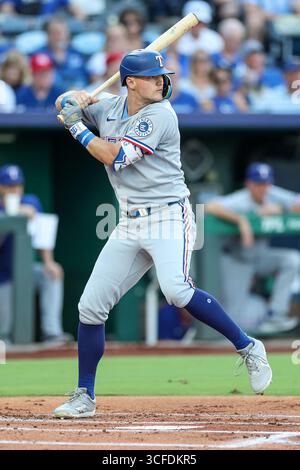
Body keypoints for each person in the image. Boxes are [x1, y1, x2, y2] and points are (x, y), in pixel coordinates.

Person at [53, 49, 272, 418]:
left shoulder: (161, 115)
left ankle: (248, 347)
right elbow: (63, 100)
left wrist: (77, 126)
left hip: (169, 215)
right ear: (131, 82)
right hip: (128, 220)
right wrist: (77, 98)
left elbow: (116, 156)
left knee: (175, 289)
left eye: (162, 76)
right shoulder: (108, 107)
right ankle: (84, 396)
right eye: (153, 77)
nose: (161, 81)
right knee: (90, 307)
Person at [206, 162, 300, 334]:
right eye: (258, 184)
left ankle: (276, 315)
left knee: (292, 259)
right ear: (249, 184)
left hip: (261, 257)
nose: (263, 188)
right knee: (233, 317)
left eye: (266, 183)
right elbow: (210, 206)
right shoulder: (241, 199)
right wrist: (242, 220)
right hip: (237, 259)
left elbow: (297, 203)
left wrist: (280, 209)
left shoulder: (273, 195)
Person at [0, 164, 72, 344]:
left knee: (50, 274)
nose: (14, 190)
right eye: (10, 186)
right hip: (3, 276)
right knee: (4, 333)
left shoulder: (30, 201)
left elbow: (42, 233)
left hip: (25, 272)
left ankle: (51, 333)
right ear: (1, 187)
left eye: (17, 185)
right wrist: (10, 218)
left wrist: (49, 262)